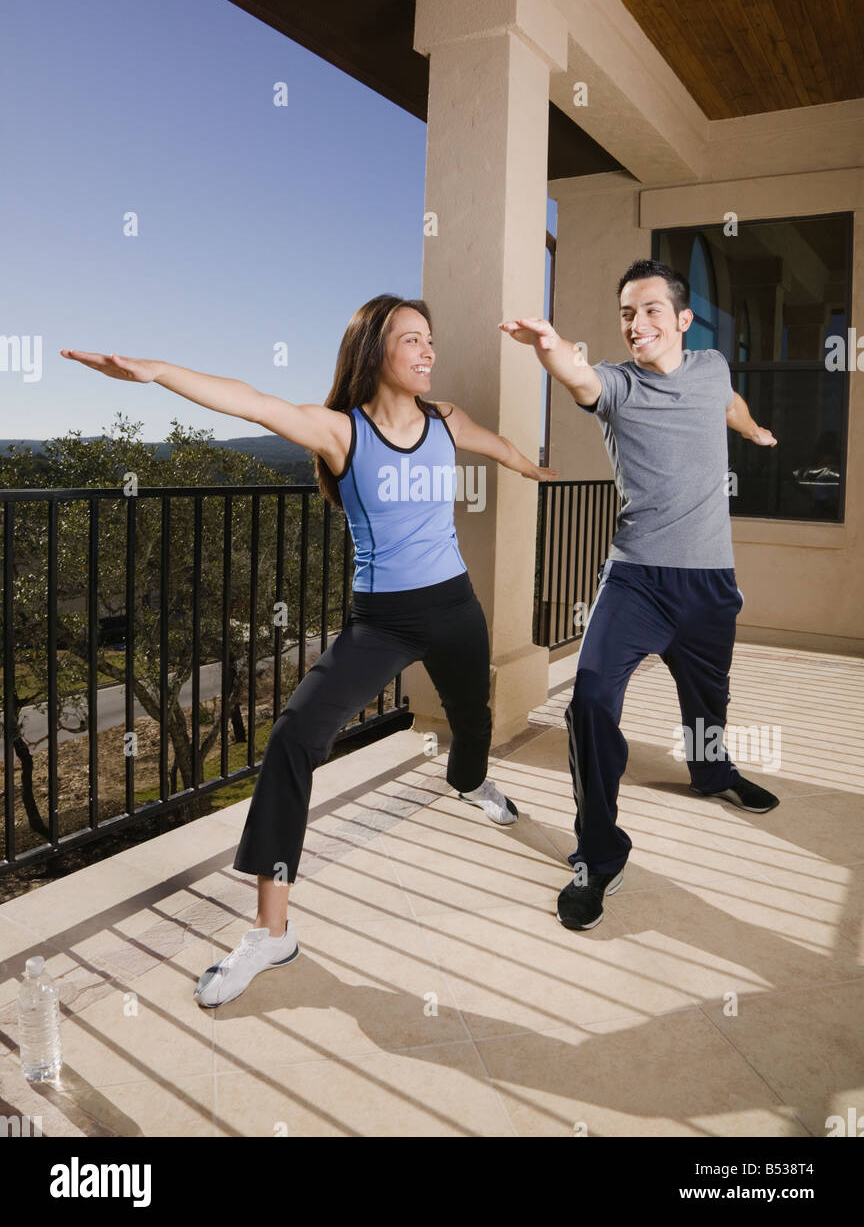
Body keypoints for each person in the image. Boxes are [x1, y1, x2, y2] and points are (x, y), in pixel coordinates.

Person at [62, 293, 556, 1003]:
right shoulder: (340, 431)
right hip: (380, 621)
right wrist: (157, 371)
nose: (428, 352)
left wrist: (531, 468)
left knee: (472, 720)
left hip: (454, 608)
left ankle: (469, 780)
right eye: (411, 341)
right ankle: (272, 930)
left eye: (429, 340)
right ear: (374, 353)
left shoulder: (444, 420)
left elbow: (496, 444)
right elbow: (252, 403)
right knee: (293, 735)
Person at [501, 259, 780, 932]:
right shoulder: (619, 386)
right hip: (637, 580)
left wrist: (751, 430)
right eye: (627, 313)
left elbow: (728, 402)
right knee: (590, 699)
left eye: (651, 309)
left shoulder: (711, 367)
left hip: (711, 581)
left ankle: (713, 774)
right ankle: (599, 855)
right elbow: (581, 375)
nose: (637, 324)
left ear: (683, 319)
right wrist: (551, 351)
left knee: (709, 695)